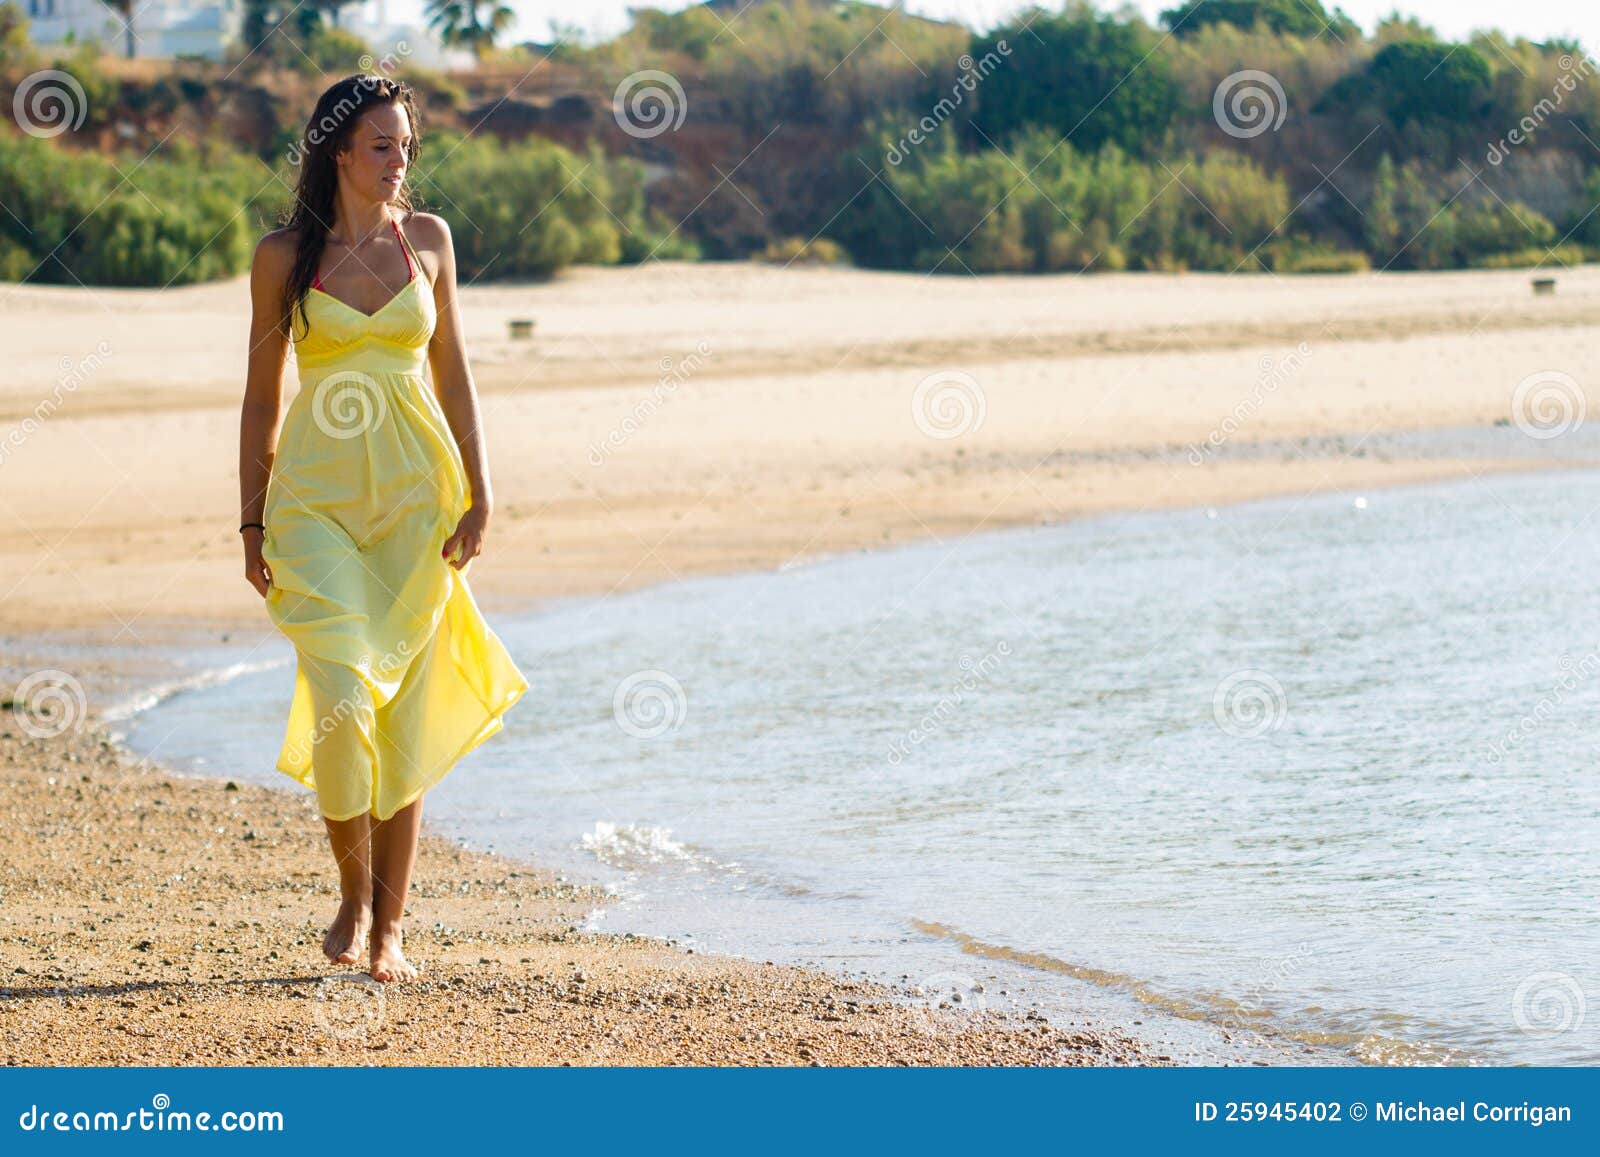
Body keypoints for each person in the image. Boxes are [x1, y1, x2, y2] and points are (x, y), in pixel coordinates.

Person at [238, 74, 529, 983]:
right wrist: (251, 522)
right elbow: (259, 401)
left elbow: (456, 376)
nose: (399, 162)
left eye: (405, 145)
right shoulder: (283, 257)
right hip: (316, 506)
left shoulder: (429, 243)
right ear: (336, 151)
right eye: (380, 146)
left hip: (416, 501)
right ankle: (352, 894)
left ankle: (389, 929)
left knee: (402, 713)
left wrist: (482, 492)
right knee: (341, 699)